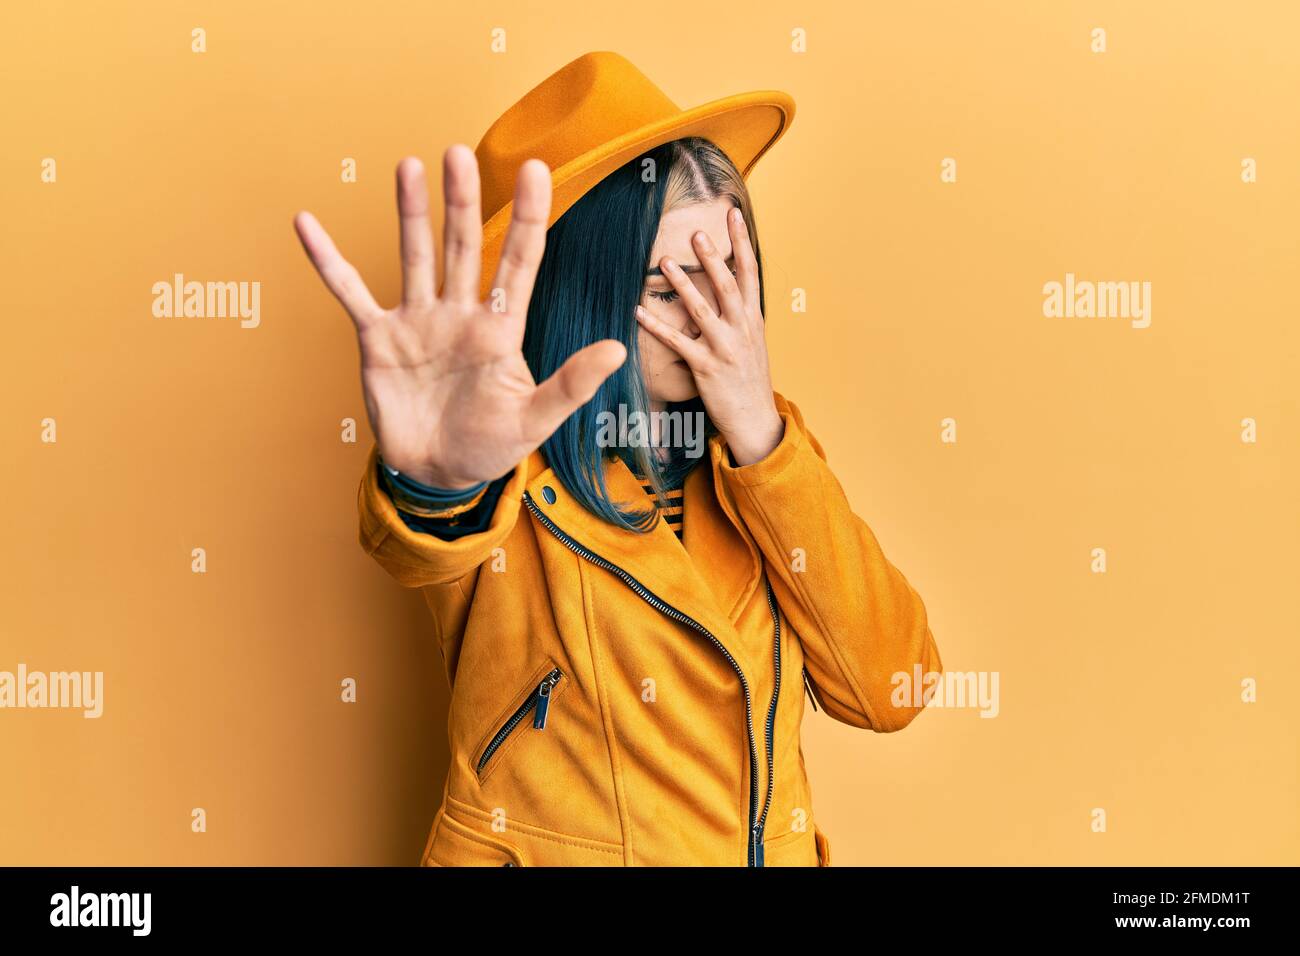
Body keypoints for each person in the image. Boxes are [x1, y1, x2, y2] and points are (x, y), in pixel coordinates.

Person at [293, 51, 941, 867]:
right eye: (670, 289)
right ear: (583, 296)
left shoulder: (766, 462)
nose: (712, 318)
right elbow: (423, 536)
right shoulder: (498, 471)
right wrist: (434, 476)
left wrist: (764, 444)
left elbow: (893, 688)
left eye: (728, 275)